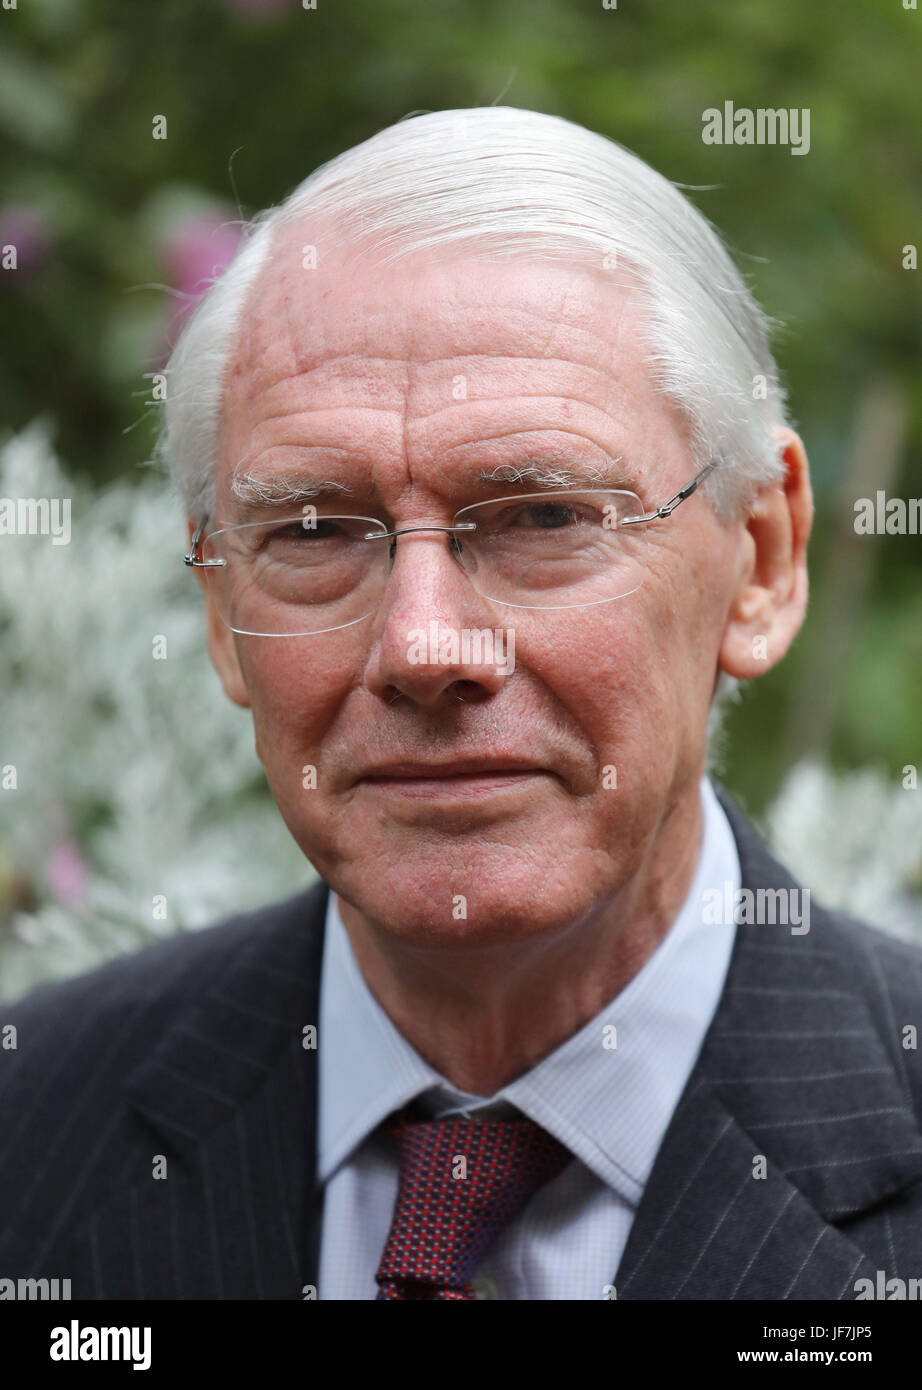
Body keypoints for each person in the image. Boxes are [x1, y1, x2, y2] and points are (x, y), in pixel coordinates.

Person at [2, 107, 921, 1302]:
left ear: (760, 561)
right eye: (318, 531)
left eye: (542, 517)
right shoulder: (34, 1135)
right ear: (222, 602)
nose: (423, 645)